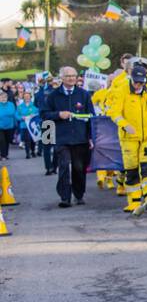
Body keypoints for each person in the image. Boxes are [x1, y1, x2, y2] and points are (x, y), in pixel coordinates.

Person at [104, 59, 147, 214]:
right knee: (131, 169)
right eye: (136, 82)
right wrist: (124, 124)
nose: (139, 85)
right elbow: (114, 112)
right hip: (128, 138)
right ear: (131, 78)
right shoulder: (122, 89)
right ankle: (134, 201)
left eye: (141, 82)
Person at [39, 67, 94, 207]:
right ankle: (65, 197)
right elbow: (44, 115)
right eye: (68, 76)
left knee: (79, 168)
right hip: (61, 137)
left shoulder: (84, 94)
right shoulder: (53, 96)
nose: (71, 78)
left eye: (73, 76)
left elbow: (91, 117)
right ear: (61, 78)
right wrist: (58, 115)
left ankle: (79, 194)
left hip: (80, 138)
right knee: (63, 166)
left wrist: (91, 137)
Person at [18, 91, 38, 159]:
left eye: (28, 97)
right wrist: (21, 117)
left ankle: (33, 151)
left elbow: (38, 113)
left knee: (33, 139)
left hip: (32, 125)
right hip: (24, 126)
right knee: (27, 140)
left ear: (30, 97)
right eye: (25, 97)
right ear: (23, 97)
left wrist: (34, 115)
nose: (27, 98)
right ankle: (27, 153)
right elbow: (16, 115)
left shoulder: (34, 106)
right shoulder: (20, 106)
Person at [0, 90, 16, 161]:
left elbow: (12, 112)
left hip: (9, 126)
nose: (3, 99)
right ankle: (3, 155)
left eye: (5, 97)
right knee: (2, 140)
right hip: (0, 126)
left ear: (7, 98)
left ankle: (6, 154)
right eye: (2, 97)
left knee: (7, 141)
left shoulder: (11, 104)